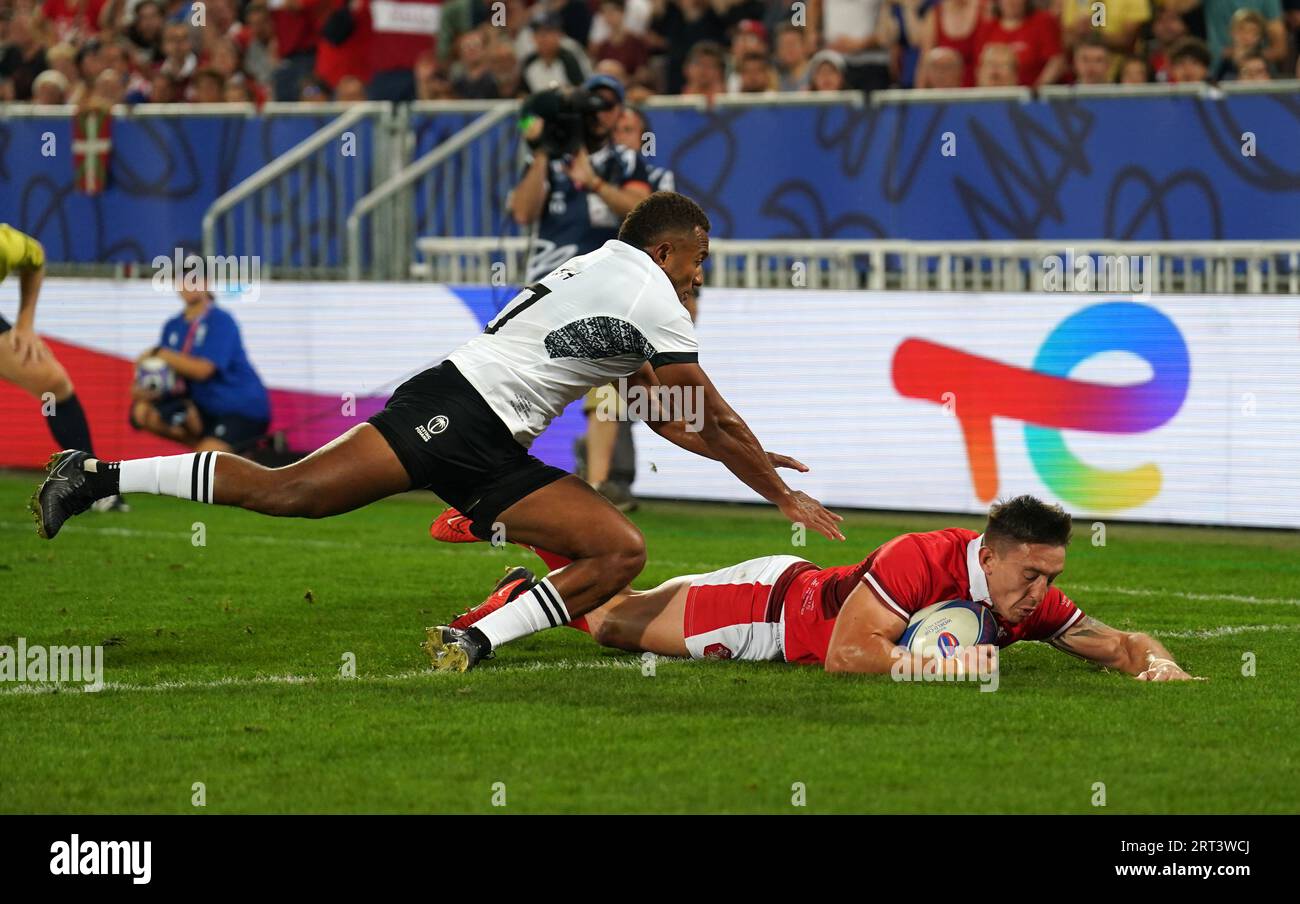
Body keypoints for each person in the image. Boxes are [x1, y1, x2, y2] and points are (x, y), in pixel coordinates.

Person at [33, 192, 845, 677]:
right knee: (294, 493)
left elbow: (672, 411)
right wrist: (780, 493)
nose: (701, 273)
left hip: (487, 439)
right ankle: (95, 473)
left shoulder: (608, 273)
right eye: (698, 259)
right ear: (665, 249)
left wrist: (745, 454)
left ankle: (474, 639)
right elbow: (713, 411)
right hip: (459, 411)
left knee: (618, 551)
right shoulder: (651, 292)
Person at [447, 495, 1200, 681]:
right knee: (611, 625)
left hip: (788, 615)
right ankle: (516, 531)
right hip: (769, 611)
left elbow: (1118, 645)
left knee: (613, 620)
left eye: (1052, 577)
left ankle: (520, 582)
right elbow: (847, 653)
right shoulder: (920, 557)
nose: (1041, 592)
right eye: (1032, 574)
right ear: (990, 556)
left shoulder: (1032, 601)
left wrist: (1159, 664)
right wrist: (939, 666)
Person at [0, 224, 125, 512]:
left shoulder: (5, 244)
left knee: (53, 384)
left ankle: (90, 481)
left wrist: (25, 324)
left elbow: (36, 258)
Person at [128, 282, 271, 456]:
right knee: (142, 411)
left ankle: (222, 453)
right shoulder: (172, 326)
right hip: (203, 409)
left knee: (202, 464)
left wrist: (158, 352)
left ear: (206, 281)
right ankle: (220, 452)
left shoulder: (221, 320)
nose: (188, 284)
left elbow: (203, 370)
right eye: (182, 278)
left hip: (240, 410)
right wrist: (144, 389)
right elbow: (167, 377)